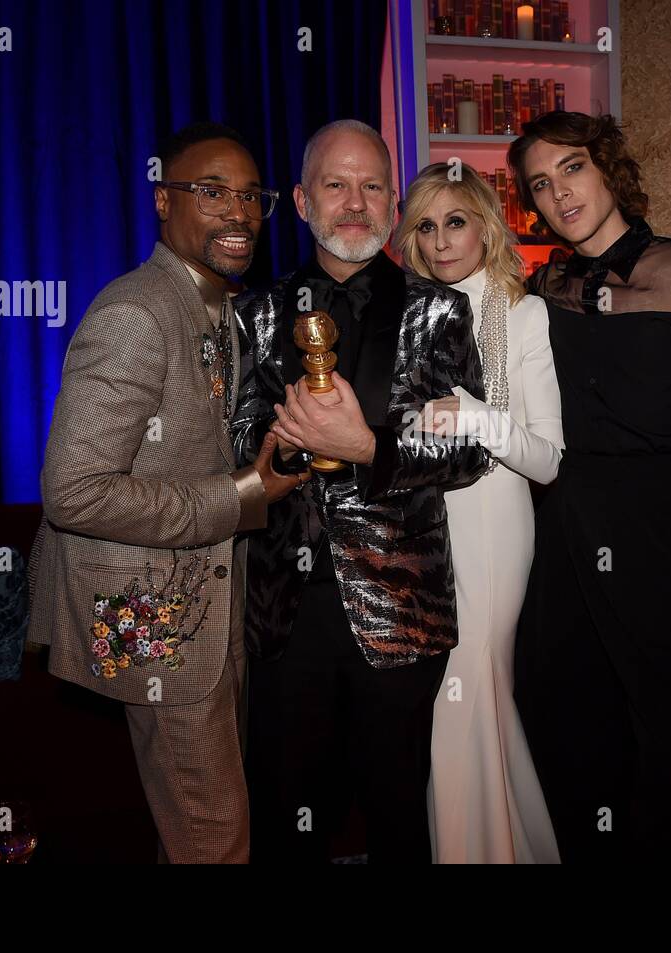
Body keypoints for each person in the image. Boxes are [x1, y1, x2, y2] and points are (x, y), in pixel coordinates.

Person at [27, 122, 304, 863]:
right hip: (146, 613)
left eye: (251, 196)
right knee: (212, 832)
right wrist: (240, 493)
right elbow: (73, 492)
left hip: (205, 607)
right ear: (162, 200)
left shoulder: (220, 307)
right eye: (212, 192)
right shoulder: (135, 313)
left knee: (192, 824)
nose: (238, 213)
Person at [236, 120, 491, 863]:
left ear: (392, 202)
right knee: (285, 819)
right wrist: (284, 448)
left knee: (399, 819)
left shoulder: (440, 310)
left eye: (373, 185)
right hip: (285, 617)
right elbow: (237, 445)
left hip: (401, 617)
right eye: (336, 185)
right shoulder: (254, 313)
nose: (355, 202)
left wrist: (367, 448)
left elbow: (471, 449)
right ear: (302, 200)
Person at [507, 111, 671, 861]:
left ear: (607, 166)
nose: (559, 192)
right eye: (541, 182)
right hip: (563, 532)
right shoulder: (545, 287)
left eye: (571, 167)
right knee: (565, 715)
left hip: (664, 533)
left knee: (668, 726)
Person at [395, 161, 564, 863]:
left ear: (486, 226)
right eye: (426, 226)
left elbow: (548, 457)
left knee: (467, 693)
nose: (440, 241)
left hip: (494, 521)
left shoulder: (523, 312)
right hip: (421, 529)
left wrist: (471, 414)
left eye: (456, 221)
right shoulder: (406, 315)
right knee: (451, 699)